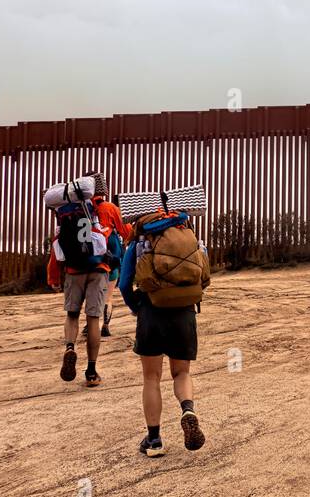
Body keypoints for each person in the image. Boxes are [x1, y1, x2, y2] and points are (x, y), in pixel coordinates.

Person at [118, 209, 211, 456]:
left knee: (151, 378)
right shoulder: (190, 237)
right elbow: (203, 278)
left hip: (152, 312)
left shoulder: (139, 244)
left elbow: (124, 284)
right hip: (184, 313)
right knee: (181, 372)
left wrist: (137, 307)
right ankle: (188, 410)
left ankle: (154, 440)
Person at [46, 172, 130, 387]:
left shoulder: (68, 209)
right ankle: (91, 372)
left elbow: (57, 244)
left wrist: (53, 276)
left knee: (72, 315)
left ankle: (70, 348)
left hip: (74, 270)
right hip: (99, 268)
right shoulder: (108, 208)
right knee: (93, 319)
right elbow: (126, 232)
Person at [86, 173, 131, 338]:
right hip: (110, 256)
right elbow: (126, 231)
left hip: (90, 258)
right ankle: (105, 325)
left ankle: (90, 324)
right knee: (108, 295)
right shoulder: (111, 208)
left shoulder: (81, 208)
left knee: (92, 293)